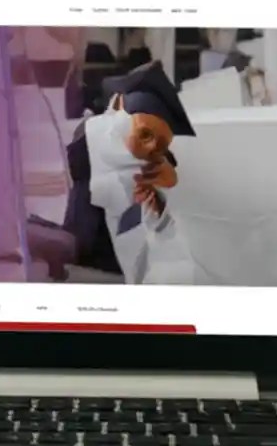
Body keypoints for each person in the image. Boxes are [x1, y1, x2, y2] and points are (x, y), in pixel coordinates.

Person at [63, 60, 198, 284]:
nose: (152, 148)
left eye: (161, 145)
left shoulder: (156, 169)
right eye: (145, 135)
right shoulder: (100, 141)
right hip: (96, 255)